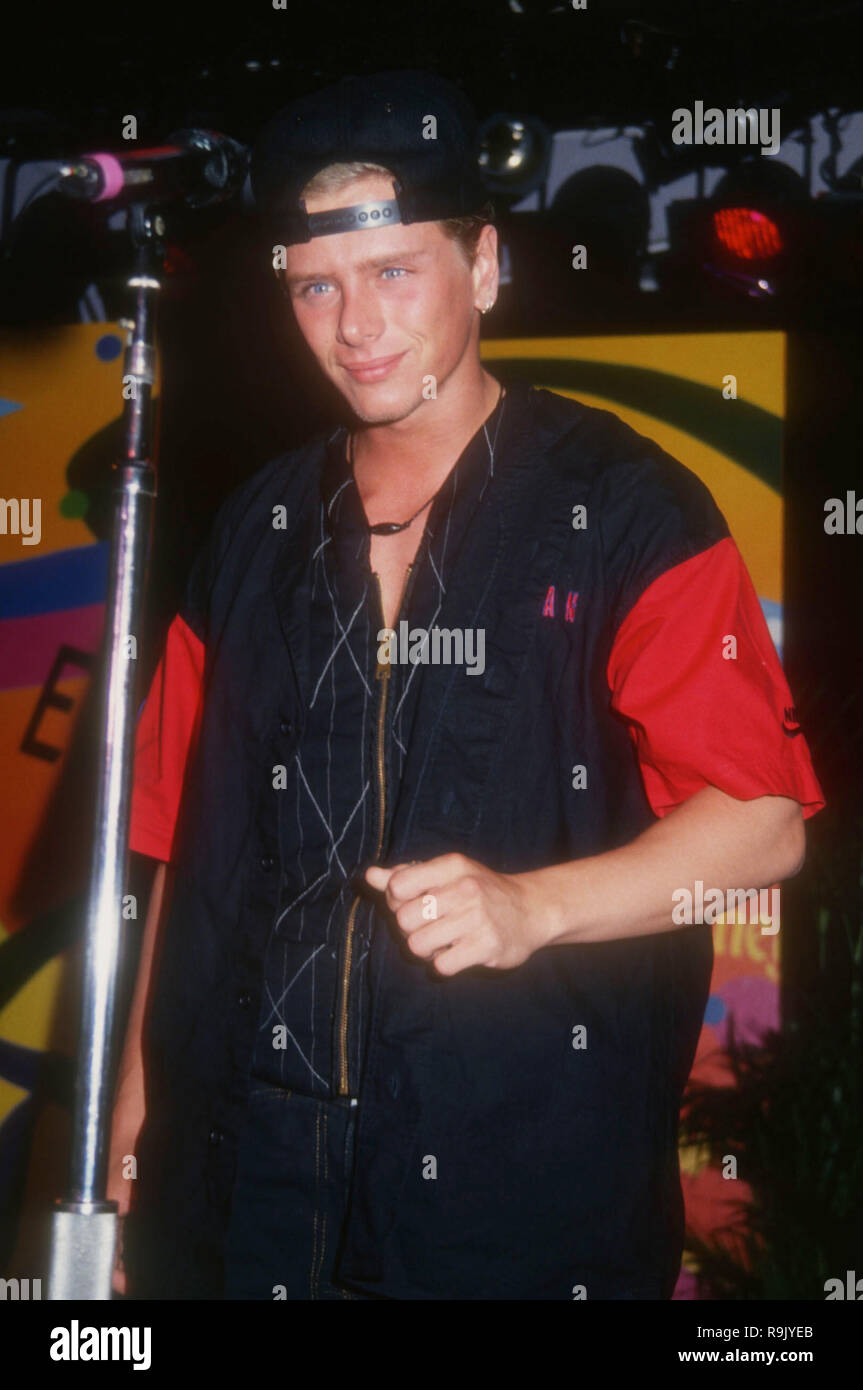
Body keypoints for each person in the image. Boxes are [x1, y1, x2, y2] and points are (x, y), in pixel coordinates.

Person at [109, 69, 825, 1301]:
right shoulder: (248, 532)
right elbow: (185, 847)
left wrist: (532, 908)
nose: (356, 325)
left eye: (396, 272)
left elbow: (758, 827)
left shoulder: (629, 508)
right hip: (241, 1196)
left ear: (482, 267)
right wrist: (133, 1111)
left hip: (512, 1205)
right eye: (316, 285)